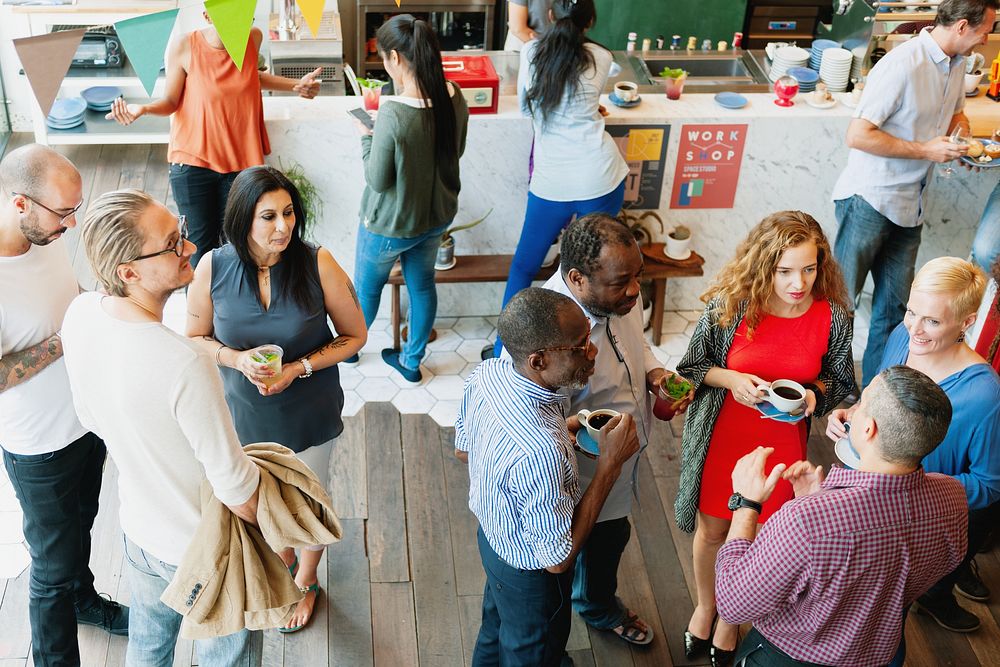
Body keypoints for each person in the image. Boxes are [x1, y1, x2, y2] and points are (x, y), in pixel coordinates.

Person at [61, 189, 262, 666]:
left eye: (183, 234)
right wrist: (271, 534)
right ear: (128, 272)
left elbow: (89, 418)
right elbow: (235, 486)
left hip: (139, 532)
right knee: (226, 658)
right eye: (172, 244)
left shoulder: (80, 314)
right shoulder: (185, 363)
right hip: (205, 546)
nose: (189, 248)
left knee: (148, 649)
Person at [185, 165, 366, 633]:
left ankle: (307, 580)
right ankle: (279, 558)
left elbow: (355, 335)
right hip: (240, 411)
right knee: (256, 496)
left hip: (309, 410)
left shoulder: (317, 262)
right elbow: (194, 337)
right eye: (268, 216)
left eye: (288, 213)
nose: (282, 226)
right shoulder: (213, 266)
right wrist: (235, 359)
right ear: (243, 218)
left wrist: (296, 369)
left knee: (308, 496)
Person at [675, 211, 856, 666]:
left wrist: (816, 397)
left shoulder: (833, 314)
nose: (799, 283)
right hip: (725, 435)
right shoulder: (730, 305)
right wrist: (732, 379)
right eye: (786, 271)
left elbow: (838, 380)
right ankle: (705, 605)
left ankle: (732, 618)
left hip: (782, 443)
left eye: (810, 269)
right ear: (764, 265)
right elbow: (692, 369)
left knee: (760, 535)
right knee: (714, 529)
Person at [715, 365, 968, 667]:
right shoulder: (953, 498)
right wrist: (820, 501)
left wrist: (745, 504)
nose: (852, 410)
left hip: (789, 657)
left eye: (861, 404)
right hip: (880, 653)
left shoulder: (804, 522)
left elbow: (732, 604)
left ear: (868, 429)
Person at [529, 213, 692, 645]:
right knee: (562, 571)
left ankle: (598, 605)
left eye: (638, 276)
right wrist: (600, 461)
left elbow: (636, 345)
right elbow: (544, 430)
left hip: (624, 462)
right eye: (623, 282)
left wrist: (655, 374)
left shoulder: (619, 291)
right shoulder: (551, 335)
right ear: (578, 278)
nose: (635, 291)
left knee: (611, 537)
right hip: (577, 478)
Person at [455, 287, 640, 667]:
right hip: (531, 575)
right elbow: (556, 561)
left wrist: (564, 425)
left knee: (495, 631)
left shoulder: (487, 374)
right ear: (538, 360)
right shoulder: (544, 453)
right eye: (579, 346)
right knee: (534, 653)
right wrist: (609, 467)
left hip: (493, 540)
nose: (593, 351)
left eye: (589, 337)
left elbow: (464, 450)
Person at [0, 145, 128, 665]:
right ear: (20, 204)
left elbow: (64, 294)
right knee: (50, 571)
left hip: (84, 421)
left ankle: (84, 598)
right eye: (63, 212)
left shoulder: (44, 234)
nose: (71, 225)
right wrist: (62, 340)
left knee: (83, 526)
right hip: (39, 450)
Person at [827, 257, 1000, 636]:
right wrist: (851, 414)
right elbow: (875, 399)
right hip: (863, 496)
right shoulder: (899, 338)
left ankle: (935, 595)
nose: (914, 330)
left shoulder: (984, 393)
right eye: (911, 311)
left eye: (932, 321)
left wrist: (922, 487)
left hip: (920, 521)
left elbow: (990, 485)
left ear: (967, 322)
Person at [830, 0, 998, 388]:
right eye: (985, 29)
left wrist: (960, 139)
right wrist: (927, 150)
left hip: (912, 207)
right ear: (961, 27)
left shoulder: (957, 65)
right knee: (840, 307)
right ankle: (822, 390)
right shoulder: (903, 63)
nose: (987, 37)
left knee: (896, 315)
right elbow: (857, 135)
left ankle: (872, 397)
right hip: (869, 201)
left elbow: (956, 114)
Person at [106, 11, 322, 268]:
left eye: (245, 18)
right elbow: (171, 101)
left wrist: (295, 86)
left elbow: (250, 75)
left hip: (241, 164)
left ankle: (232, 308)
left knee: (239, 249)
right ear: (208, 16)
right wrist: (143, 109)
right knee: (198, 253)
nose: (239, 27)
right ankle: (198, 309)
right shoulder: (185, 46)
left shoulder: (253, 39)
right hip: (193, 163)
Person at [493, 0, 628, 357]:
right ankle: (582, 350)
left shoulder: (533, 49)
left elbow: (527, 107)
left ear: (550, 15)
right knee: (590, 270)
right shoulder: (600, 56)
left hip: (553, 182)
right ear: (590, 20)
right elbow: (585, 99)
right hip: (600, 176)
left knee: (524, 267)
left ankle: (502, 353)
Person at [350, 14, 470, 384]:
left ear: (396, 59)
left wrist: (366, 135)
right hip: (435, 220)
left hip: (389, 226)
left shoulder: (394, 112)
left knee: (366, 293)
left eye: (384, 59)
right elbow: (457, 150)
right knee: (422, 287)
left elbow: (378, 179)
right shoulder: (453, 94)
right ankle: (411, 361)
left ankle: (349, 350)